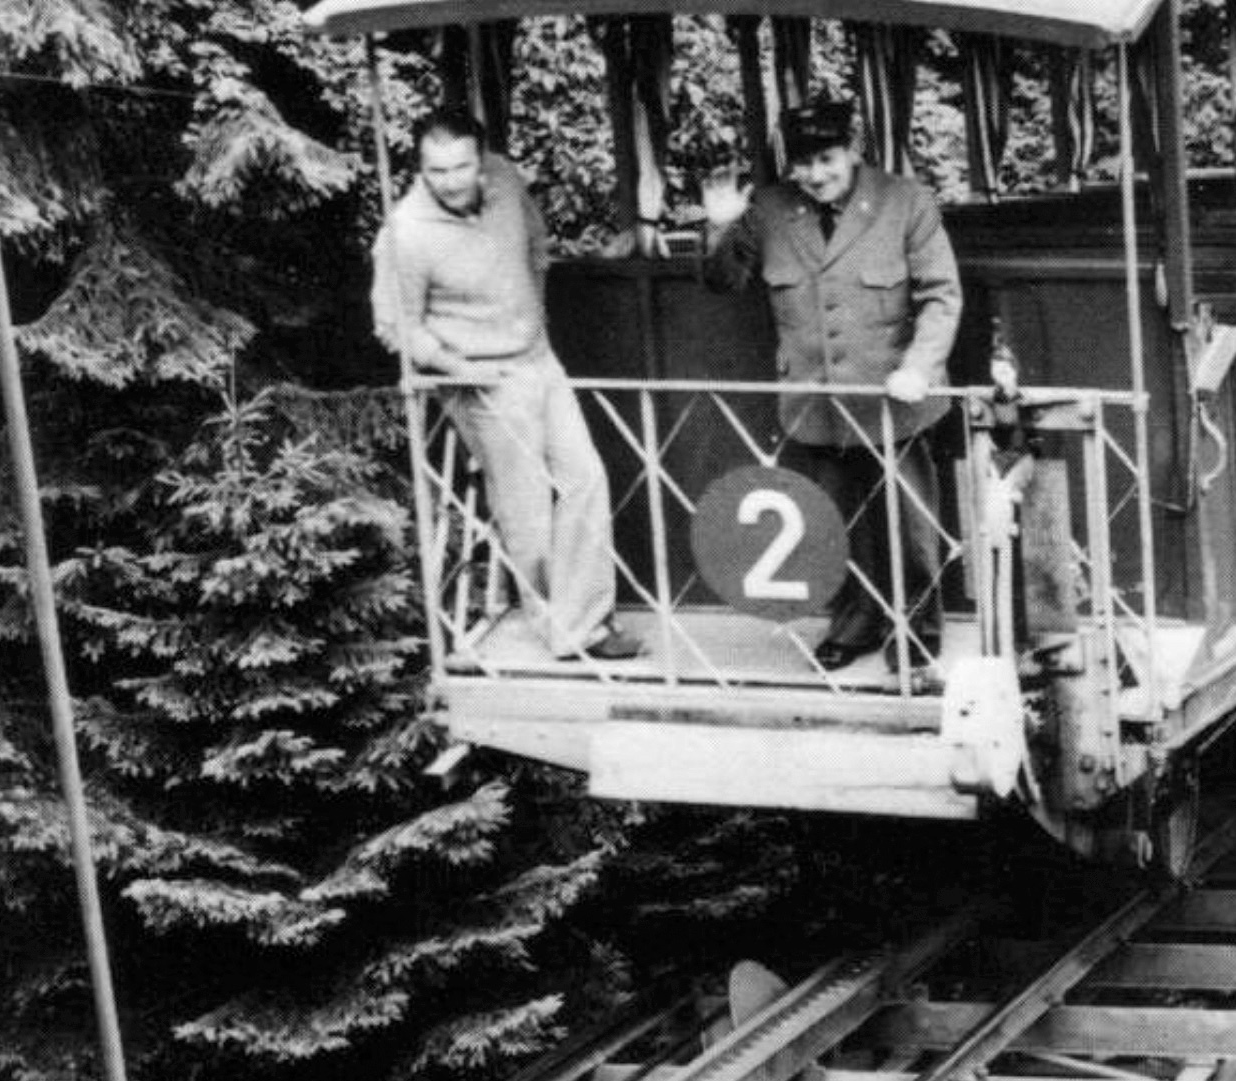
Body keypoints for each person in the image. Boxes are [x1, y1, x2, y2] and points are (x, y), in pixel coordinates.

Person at [702, 99, 961, 674]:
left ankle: (917, 629)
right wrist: (720, 225)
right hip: (816, 404)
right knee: (834, 524)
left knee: (911, 526)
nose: (815, 175)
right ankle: (855, 624)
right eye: (803, 163)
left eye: (827, 159)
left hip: (896, 403)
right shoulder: (768, 208)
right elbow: (725, 282)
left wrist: (919, 368)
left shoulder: (906, 202)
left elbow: (942, 296)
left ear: (854, 150)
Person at [372, 108, 640, 661]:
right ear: (420, 168)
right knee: (526, 512)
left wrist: (535, 323)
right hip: (483, 380)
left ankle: (588, 617)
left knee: (586, 478)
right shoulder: (406, 233)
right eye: (435, 170)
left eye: (461, 167)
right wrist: (457, 368)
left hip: (539, 360)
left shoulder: (507, 180)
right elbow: (397, 325)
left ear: (482, 160)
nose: (449, 181)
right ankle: (567, 633)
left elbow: (536, 248)